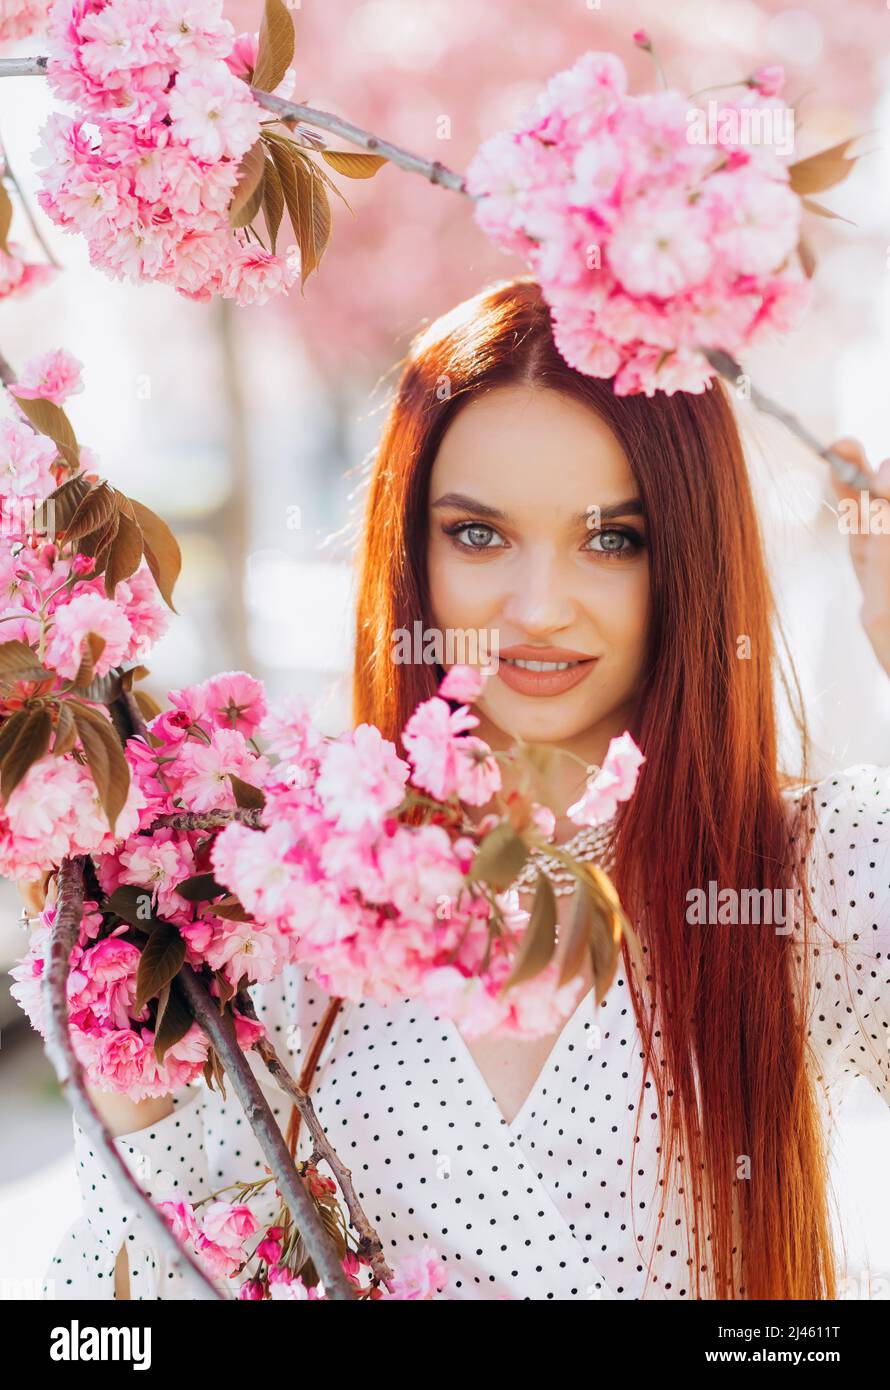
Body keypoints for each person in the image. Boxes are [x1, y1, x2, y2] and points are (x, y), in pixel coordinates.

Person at [20, 276, 890, 1300]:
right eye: (478, 534)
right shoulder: (285, 892)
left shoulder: (806, 867)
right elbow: (117, 1303)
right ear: (413, 552)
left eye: (611, 537)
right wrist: (132, 1077)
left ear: (689, 554)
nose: (537, 605)